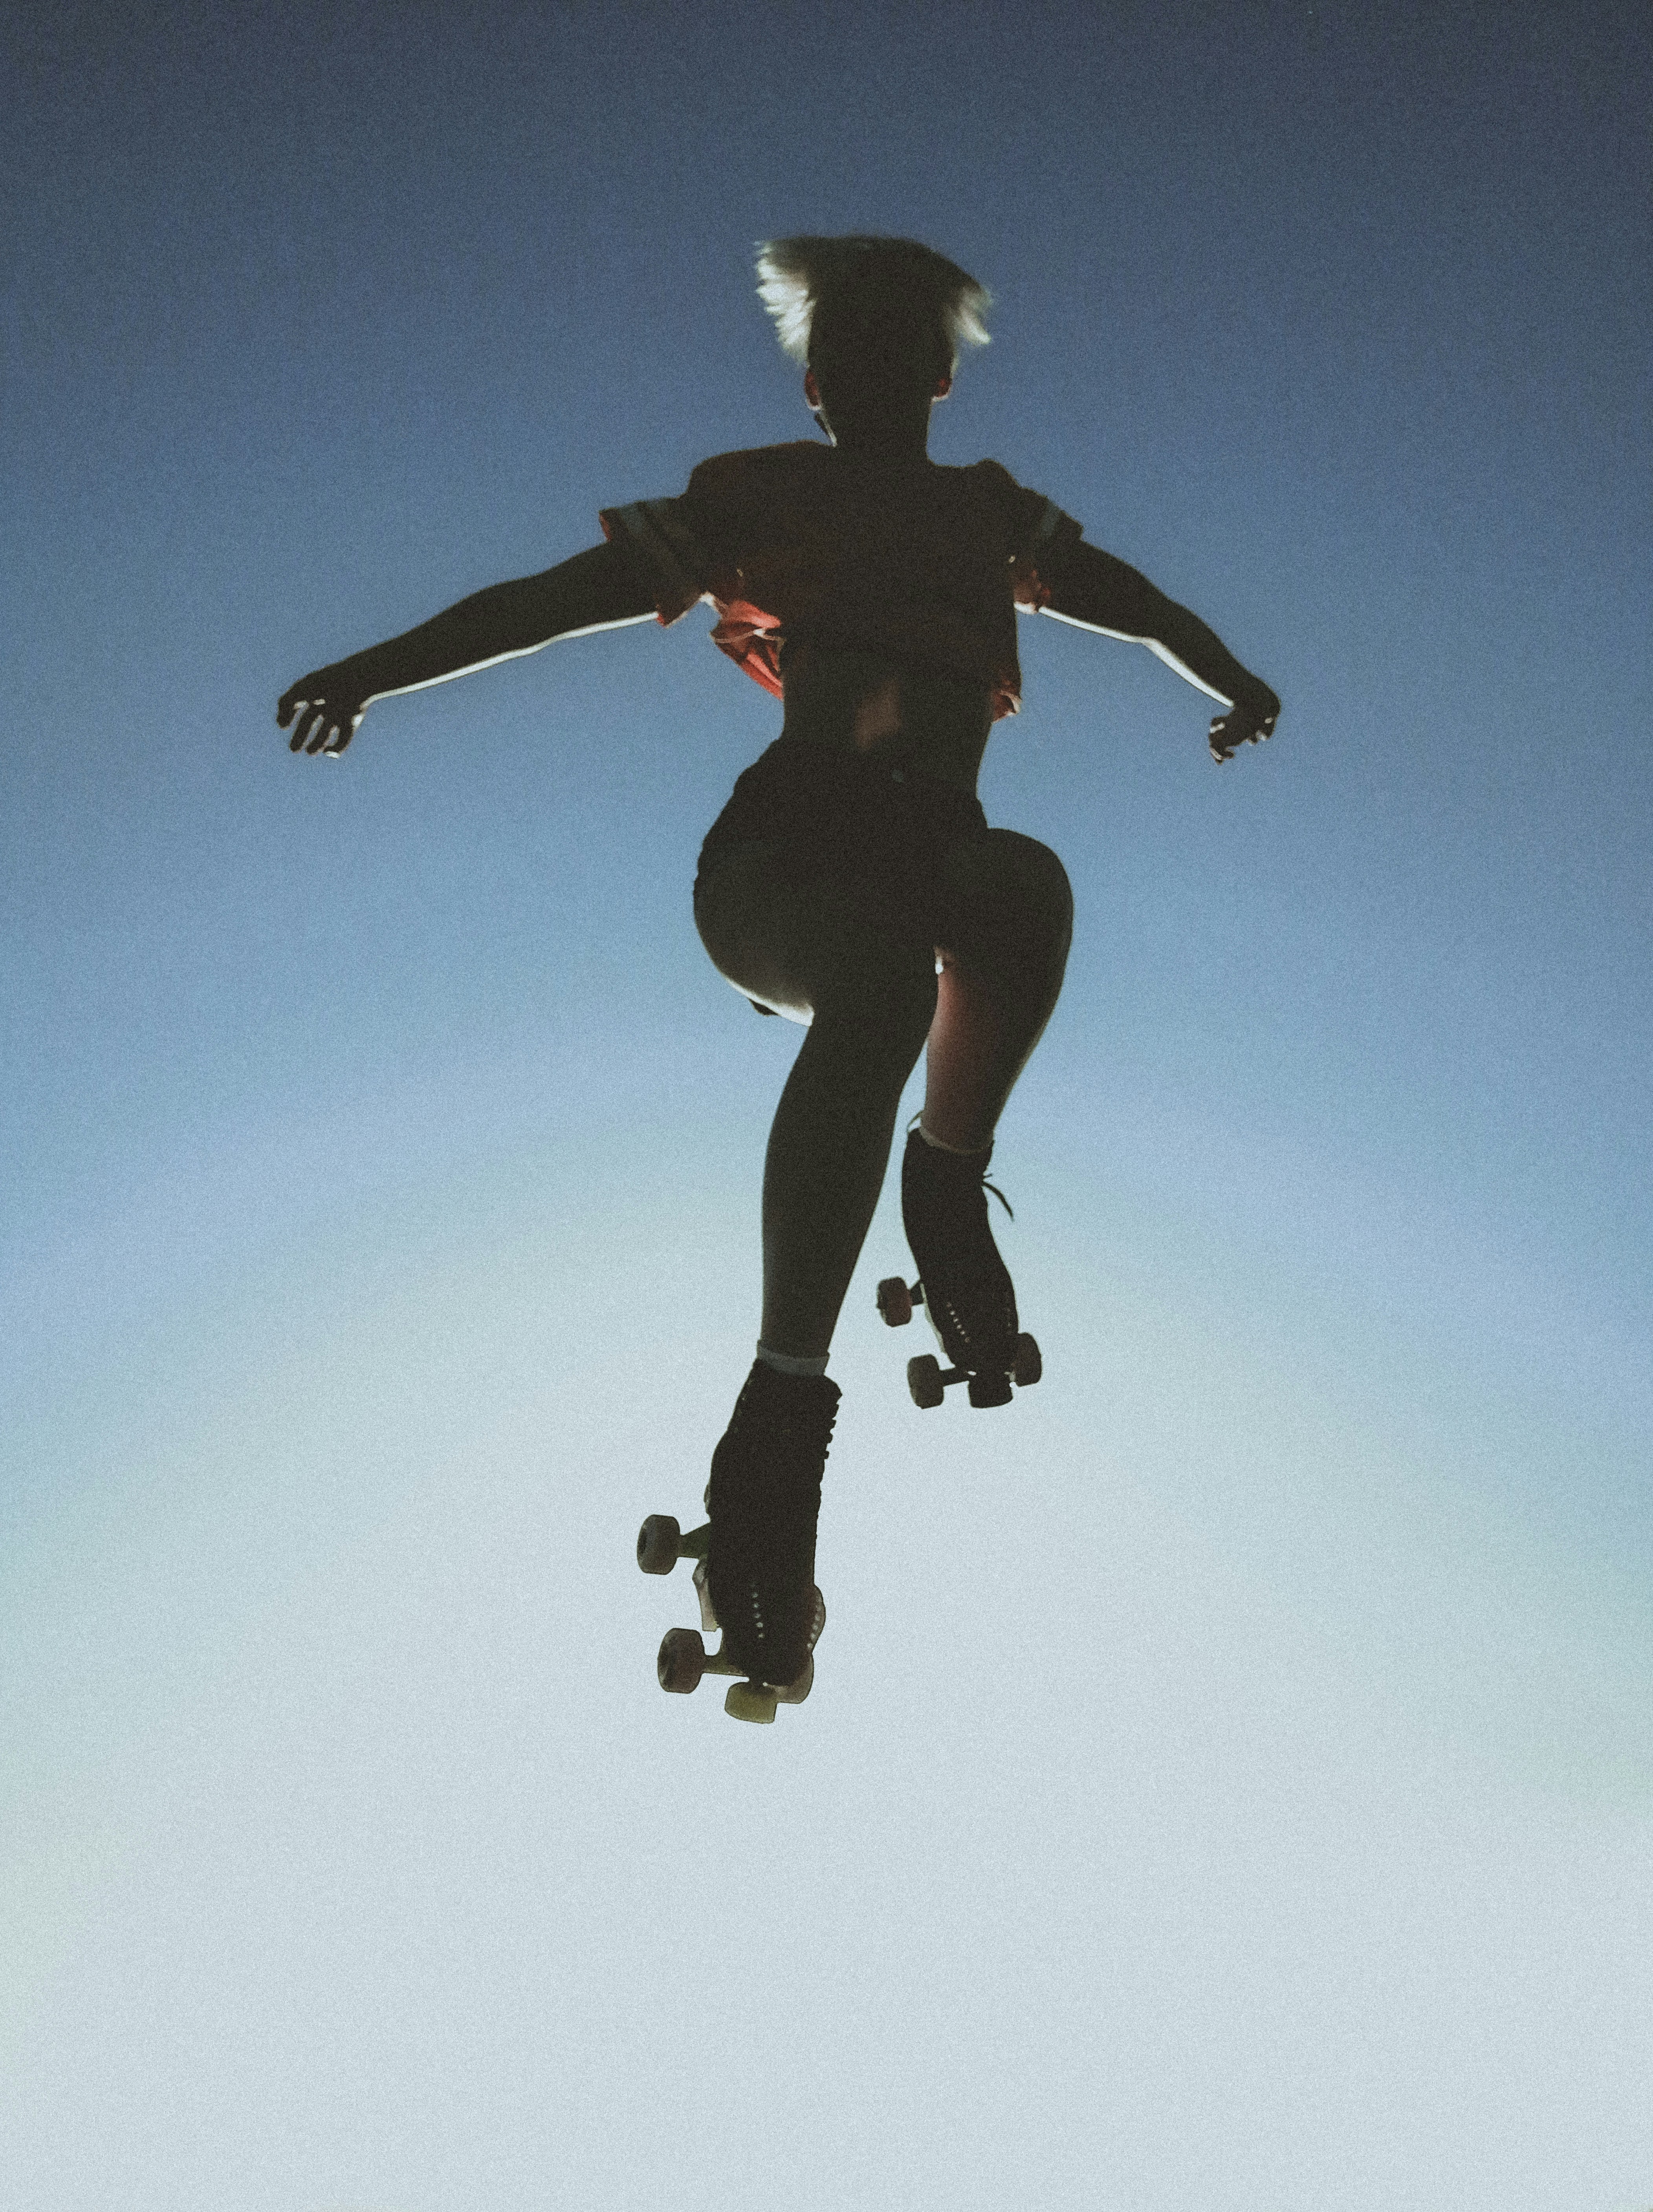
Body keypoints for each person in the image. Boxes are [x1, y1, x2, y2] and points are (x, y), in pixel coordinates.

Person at [277, 234, 1280, 1705]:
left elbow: (1126, 595)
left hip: (935, 845)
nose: (873, 382)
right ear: (819, 390)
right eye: (848, 361)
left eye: (899, 356)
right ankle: (779, 1428)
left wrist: (1231, 676)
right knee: (879, 979)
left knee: (1023, 888)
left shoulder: (988, 512)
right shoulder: (761, 495)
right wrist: (367, 669)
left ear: (932, 379)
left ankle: (942, 1182)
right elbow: (550, 599)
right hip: (785, 863)